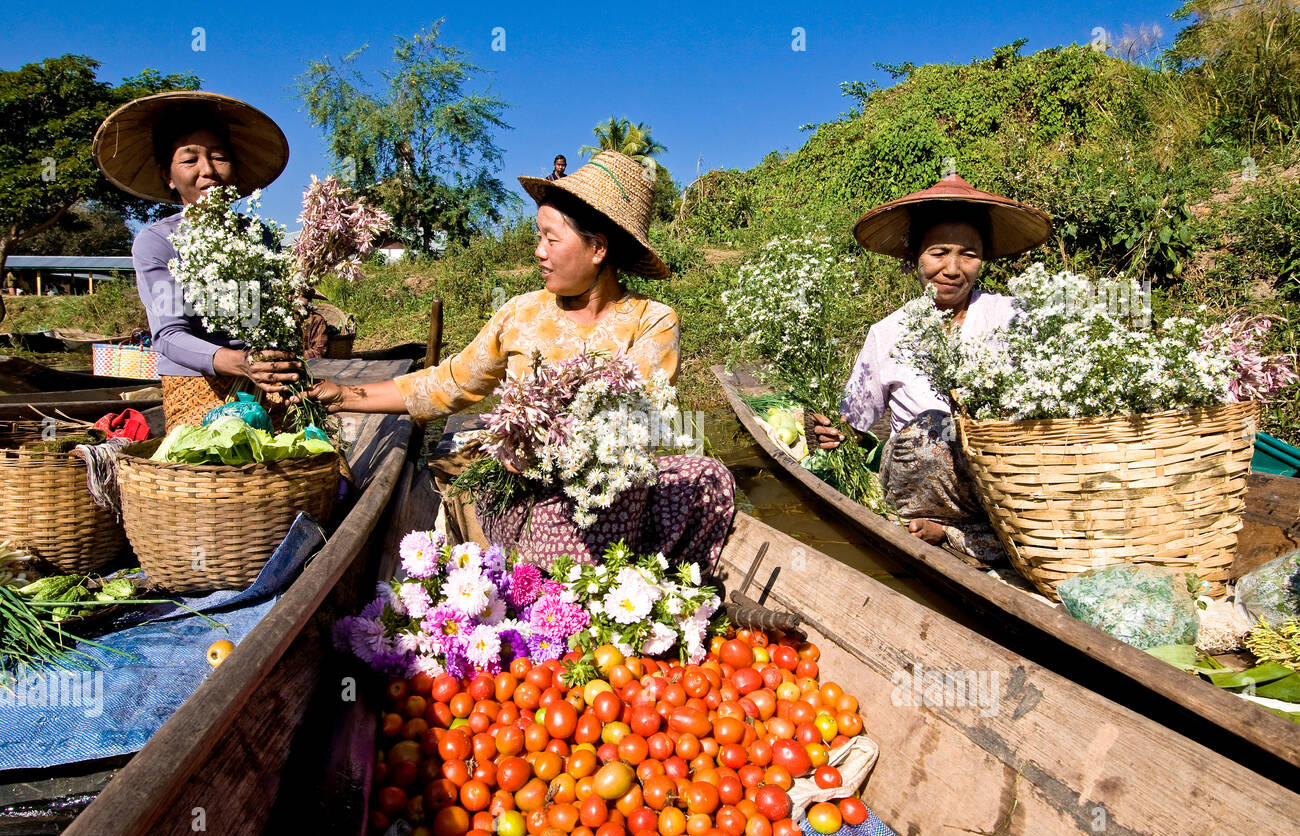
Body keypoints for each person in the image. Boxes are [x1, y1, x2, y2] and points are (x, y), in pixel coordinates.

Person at [303, 150, 735, 569]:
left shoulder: (652, 321)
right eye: (538, 236)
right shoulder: (521, 313)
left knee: (709, 477)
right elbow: (448, 384)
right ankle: (600, 578)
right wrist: (342, 395)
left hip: (605, 491)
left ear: (598, 248)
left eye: (551, 237)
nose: (538, 251)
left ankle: (642, 586)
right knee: (554, 519)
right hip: (527, 494)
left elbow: (626, 423)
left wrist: (544, 444)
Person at [813, 174, 1052, 562]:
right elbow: (853, 423)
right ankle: (950, 528)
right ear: (914, 259)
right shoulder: (887, 333)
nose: (953, 268)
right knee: (934, 426)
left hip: (995, 481)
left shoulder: (1011, 316)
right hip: (920, 482)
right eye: (938, 252)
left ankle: (965, 533)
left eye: (969, 254)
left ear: (982, 260)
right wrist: (830, 433)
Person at [94, 91, 303, 430]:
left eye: (219, 157)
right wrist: (239, 362)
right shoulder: (158, 241)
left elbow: (276, 313)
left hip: (270, 381)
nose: (208, 170)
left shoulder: (261, 237)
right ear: (168, 175)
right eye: (190, 161)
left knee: (319, 465)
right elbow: (169, 334)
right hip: (198, 388)